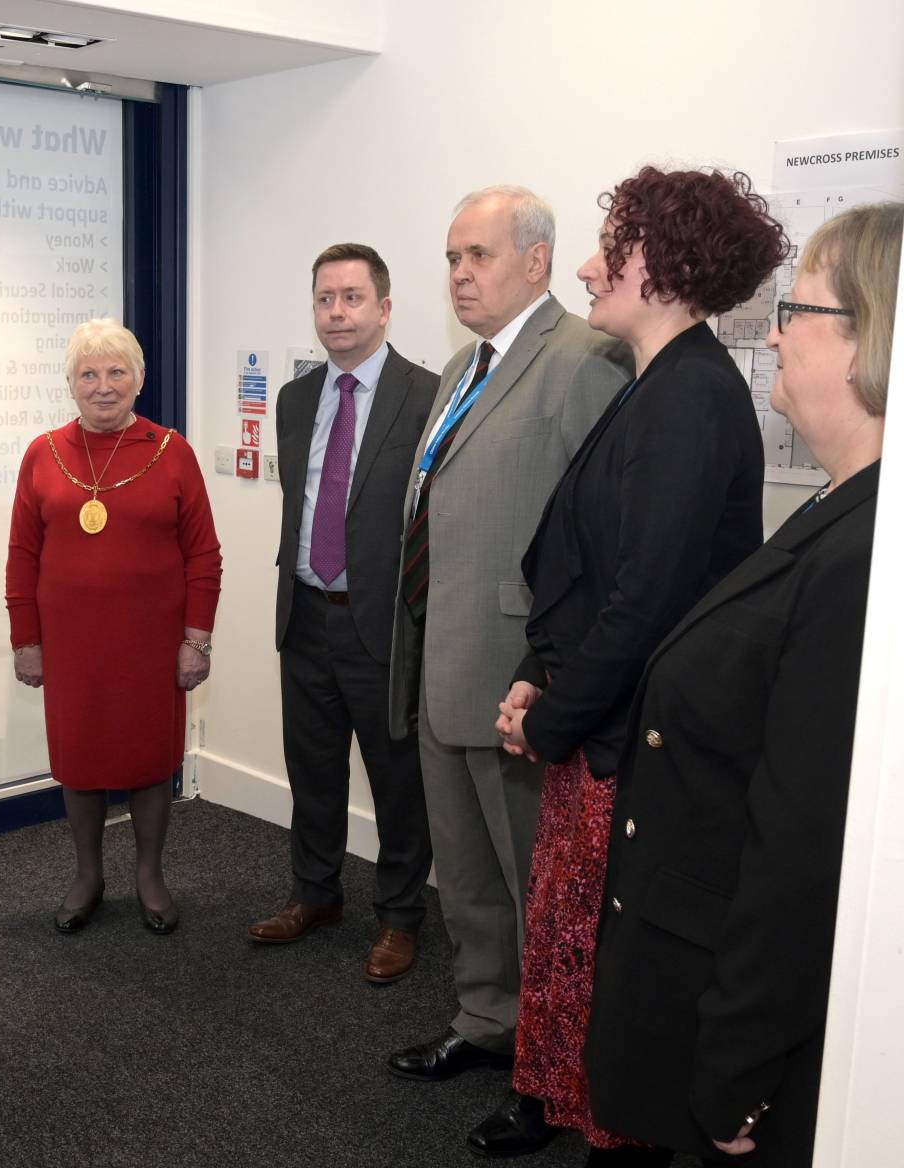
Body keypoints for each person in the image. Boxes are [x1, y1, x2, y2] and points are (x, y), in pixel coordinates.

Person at [584, 201, 901, 1168]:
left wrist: (736, 1064)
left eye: (794, 312)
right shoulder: (842, 506)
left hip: (749, 1031)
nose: (771, 334)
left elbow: (802, 851)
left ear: (865, 340)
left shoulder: (865, 560)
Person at [492, 168, 788, 1164]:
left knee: (614, 980)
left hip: (634, 744)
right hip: (608, 723)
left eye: (606, 243)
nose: (584, 266)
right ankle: (580, 1117)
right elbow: (593, 570)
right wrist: (544, 672)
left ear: (661, 264)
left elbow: (645, 601)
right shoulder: (661, 384)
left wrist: (548, 715)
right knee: (585, 968)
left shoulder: (690, 396)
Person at [383, 185, 630, 1156]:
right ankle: (487, 1018)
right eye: (450, 257)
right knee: (471, 878)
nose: (458, 274)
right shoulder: (458, 368)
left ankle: (547, 1065)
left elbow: (602, 541)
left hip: (524, 679)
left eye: (477, 255)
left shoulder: (585, 362)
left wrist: (559, 675)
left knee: (540, 884)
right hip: (442, 662)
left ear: (535, 261)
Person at [247, 243, 437, 983]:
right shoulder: (297, 399)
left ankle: (399, 917)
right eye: (326, 299)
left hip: (381, 622)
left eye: (353, 298)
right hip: (305, 616)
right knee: (314, 771)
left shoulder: (424, 394)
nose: (337, 313)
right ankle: (315, 894)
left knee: (397, 781)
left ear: (385, 308)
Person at [6, 318, 221, 934]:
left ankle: (150, 875)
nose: (103, 386)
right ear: (71, 384)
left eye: (116, 371)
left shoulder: (171, 451)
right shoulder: (42, 454)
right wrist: (27, 640)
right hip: (72, 646)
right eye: (89, 374)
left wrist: (195, 640)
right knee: (80, 760)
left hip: (151, 646)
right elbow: (22, 555)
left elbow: (204, 554)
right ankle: (87, 875)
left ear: (139, 379)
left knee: (150, 759)